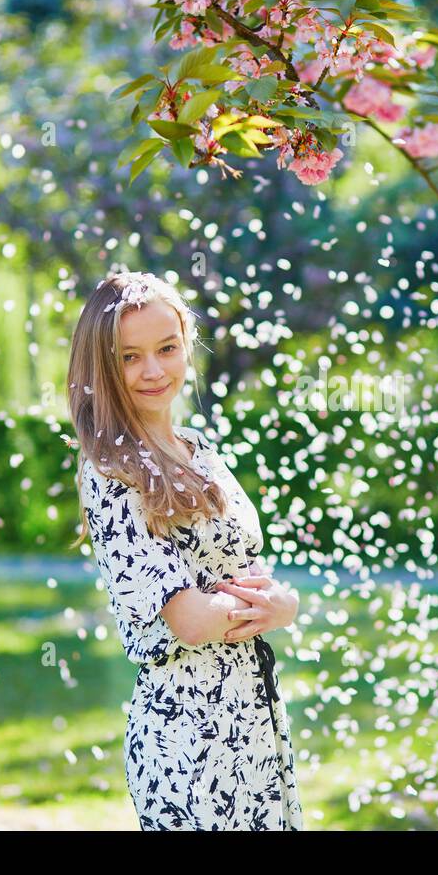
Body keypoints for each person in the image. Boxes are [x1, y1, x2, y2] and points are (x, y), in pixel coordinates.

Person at [66, 268, 304, 830]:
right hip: (188, 732)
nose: (153, 370)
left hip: (253, 715)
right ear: (102, 366)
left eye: (166, 348)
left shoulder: (199, 450)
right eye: (129, 357)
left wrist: (285, 605)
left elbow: (249, 573)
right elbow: (191, 622)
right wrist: (265, 608)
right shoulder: (110, 474)